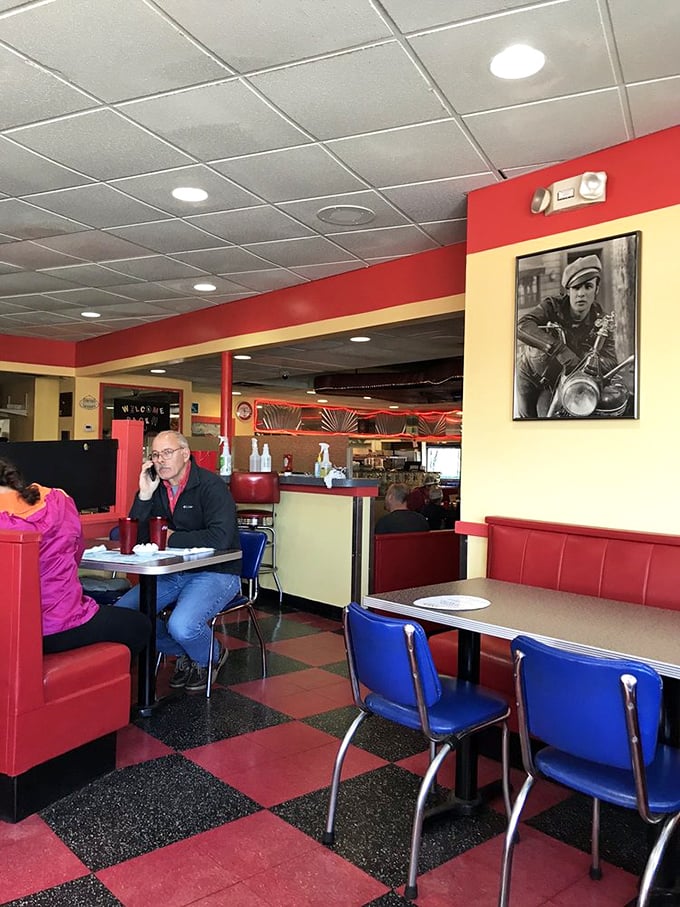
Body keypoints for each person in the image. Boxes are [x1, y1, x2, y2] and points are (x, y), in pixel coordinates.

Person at [116, 430, 241, 693]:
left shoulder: (211, 486)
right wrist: (144, 496)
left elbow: (221, 537)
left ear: (185, 454)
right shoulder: (157, 489)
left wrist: (171, 538)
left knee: (181, 625)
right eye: (155, 455)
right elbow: (140, 537)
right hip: (174, 572)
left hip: (216, 572)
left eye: (167, 453)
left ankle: (211, 655)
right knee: (125, 615)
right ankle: (188, 652)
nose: (160, 460)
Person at [0, 457, 150, 656]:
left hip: (10, 633)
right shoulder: (57, 500)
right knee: (140, 625)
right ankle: (105, 682)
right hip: (62, 625)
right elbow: (76, 554)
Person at [514, 255, 618, 418]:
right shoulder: (552, 306)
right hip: (529, 374)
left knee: (547, 419)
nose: (581, 294)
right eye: (576, 288)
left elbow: (611, 361)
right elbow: (521, 326)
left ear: (596, 289)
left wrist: (586, 358)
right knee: (524, 419)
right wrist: (560, 350)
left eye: (588, 287)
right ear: (568, 291)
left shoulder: (602, 322)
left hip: (556, 383)